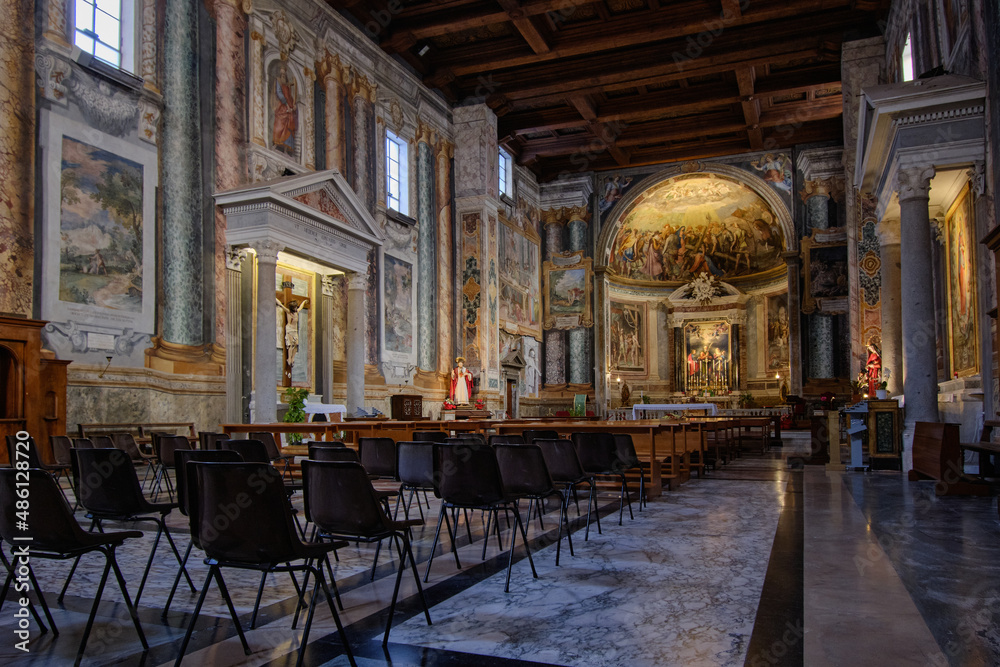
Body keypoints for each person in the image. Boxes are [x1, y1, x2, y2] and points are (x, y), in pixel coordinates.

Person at [276, 297, 309, 373]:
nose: (296, 307)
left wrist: (304, 301)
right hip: (289, 329)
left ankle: (293, 358)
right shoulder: (288, 312)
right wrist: (275, 299)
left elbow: (301, 306)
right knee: (291, 344)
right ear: (292, 307)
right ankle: (289, 359)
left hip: (295, 330)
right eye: (295, 306)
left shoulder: (297, 312)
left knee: (296, 344)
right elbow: (281, 305)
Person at [272, 63, 297, 155]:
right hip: (282, 107)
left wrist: (293, 106)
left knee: (288, 127)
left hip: (288, 107)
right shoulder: (278, 82)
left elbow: (290, 96)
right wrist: (286, 105)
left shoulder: (287, 86)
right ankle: (276, 144)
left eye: (284, 75)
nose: (283, 76)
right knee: (280, 124)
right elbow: (279, 93)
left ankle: (286, 149)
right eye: (281, 74)